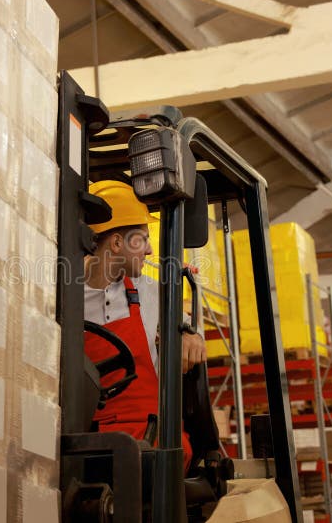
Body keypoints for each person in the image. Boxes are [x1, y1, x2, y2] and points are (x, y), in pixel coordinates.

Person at [83, 180, 207, 470]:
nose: (151, 250)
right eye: (143, 238)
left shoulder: (154, 294)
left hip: (154, 444)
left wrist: (191, 336)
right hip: (89, 445)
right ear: (116, 243)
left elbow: (190, 332)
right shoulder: (64, 300)